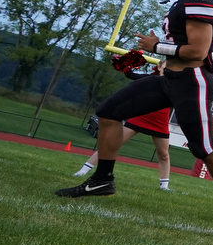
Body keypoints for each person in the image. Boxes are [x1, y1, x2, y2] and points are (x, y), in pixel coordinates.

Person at [56, 0, 213, 223]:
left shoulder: (200, 3)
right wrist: (160, 50)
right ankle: (102, 179)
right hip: (170, 78)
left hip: (192, 81)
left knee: (202, 147)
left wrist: (156, 47)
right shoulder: (184, 2)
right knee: (109, 112)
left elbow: (197, 51)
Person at [74, 61, 173, 191]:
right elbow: (132, 75)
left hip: (160, 123)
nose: (169, 69)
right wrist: (127, 67)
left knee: (164, 155)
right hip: (139, 117)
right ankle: (83, 171)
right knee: (110, 145)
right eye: (166, 67)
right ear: (159, 67)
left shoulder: (175, 85)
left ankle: (164, 186)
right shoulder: (150, 79)